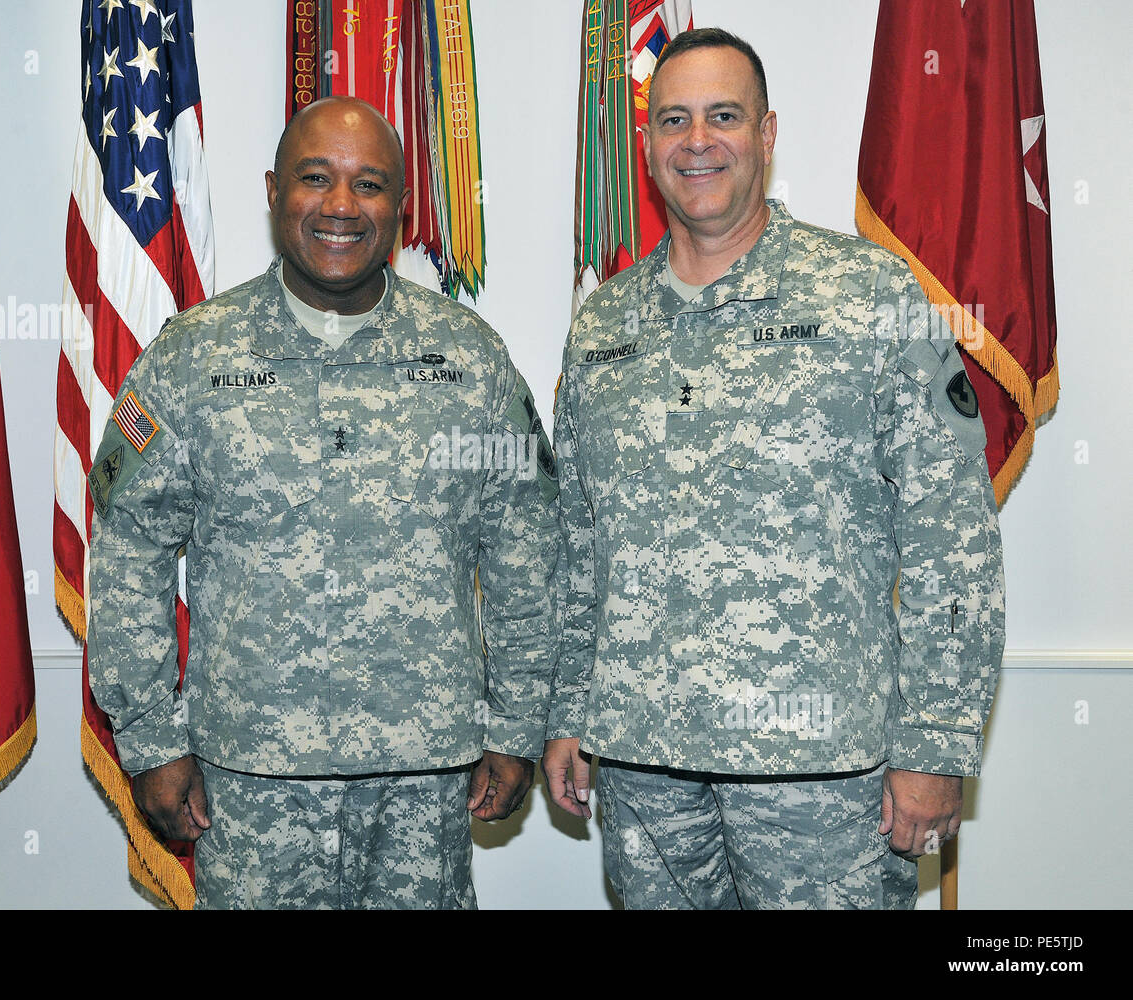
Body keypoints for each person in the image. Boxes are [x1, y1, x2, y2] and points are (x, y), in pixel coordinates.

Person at [542, 28, 1005, 909]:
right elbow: (579, 545)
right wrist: (570, 711)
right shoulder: (603, 328)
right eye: (673, 119)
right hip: (646, 768)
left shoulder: (866, 295)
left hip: (822, 777)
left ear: (767, 132)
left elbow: (953, 533)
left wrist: (937, 742)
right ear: (646, 144)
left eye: (724, 116)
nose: (698, 140)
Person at [87, 96, 560, 909]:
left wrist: (516, 727)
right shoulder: (192, 357)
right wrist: (151, 738)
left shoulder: (470, 361)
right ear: (273, 192)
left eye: (369, 185)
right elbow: (127, 549)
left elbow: (527, 550)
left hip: (422, 781)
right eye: (316, 179)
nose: (341, 207)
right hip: (249, 782)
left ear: (401, 209)